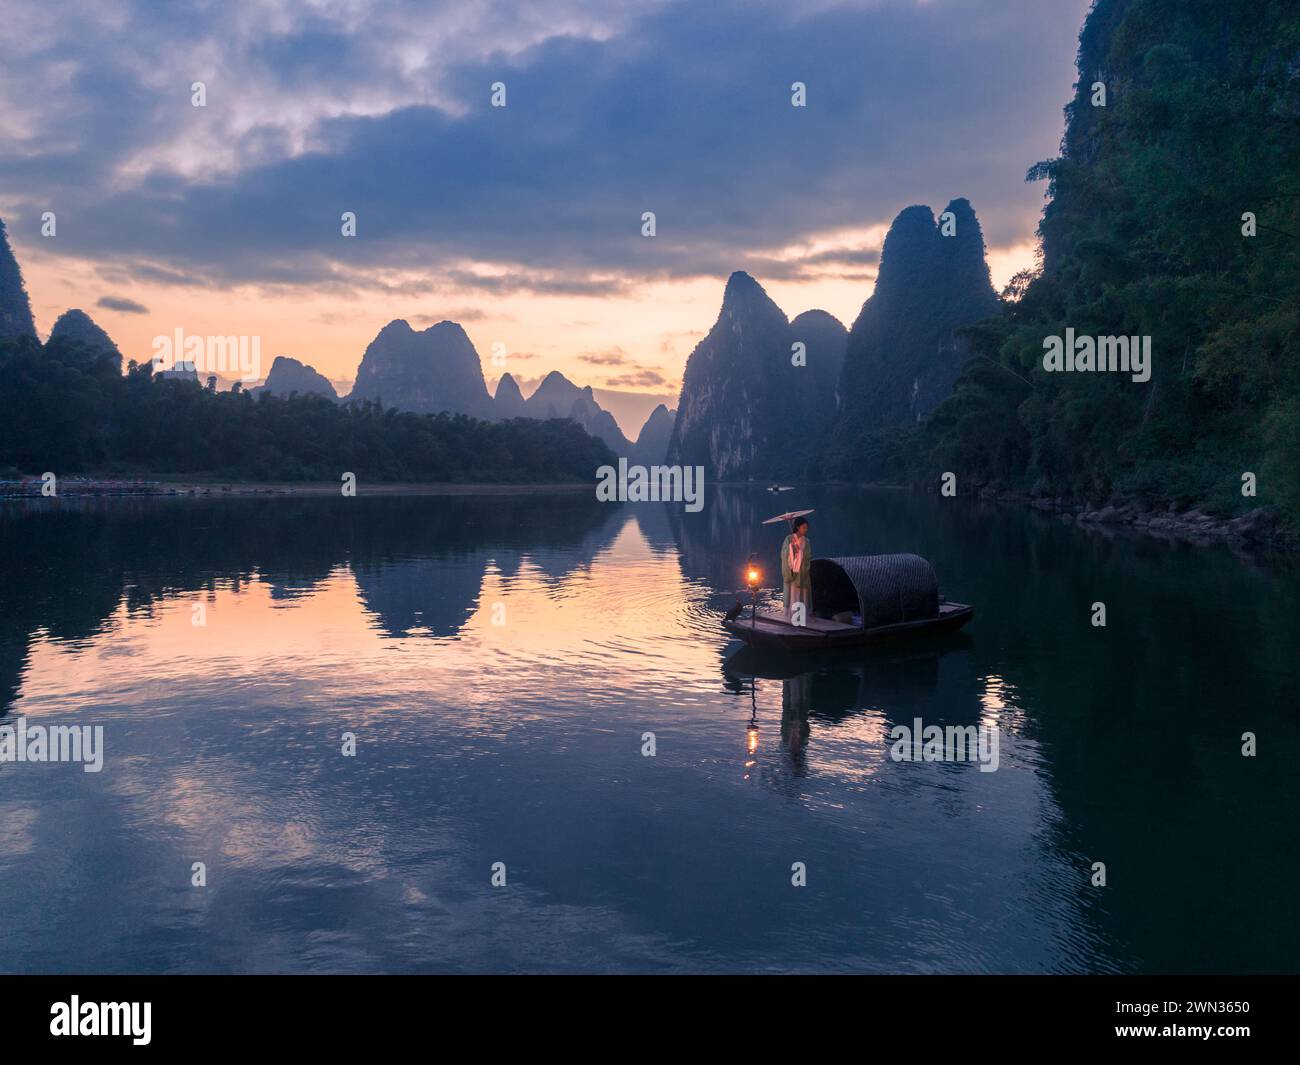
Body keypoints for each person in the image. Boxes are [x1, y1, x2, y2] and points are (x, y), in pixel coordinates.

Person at [780, 517, 811, 616]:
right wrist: (792, 550)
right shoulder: (788, 539)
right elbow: (784, 555)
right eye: (804, 527)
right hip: (792, 572)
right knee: (792, 594)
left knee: (802, 594)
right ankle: (790, 615)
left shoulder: (806, 541)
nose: (806, 530)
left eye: (806, 528)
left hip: (802, 572)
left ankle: (802, 616)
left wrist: (800, 552)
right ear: (798, 527)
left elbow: (808, 556)